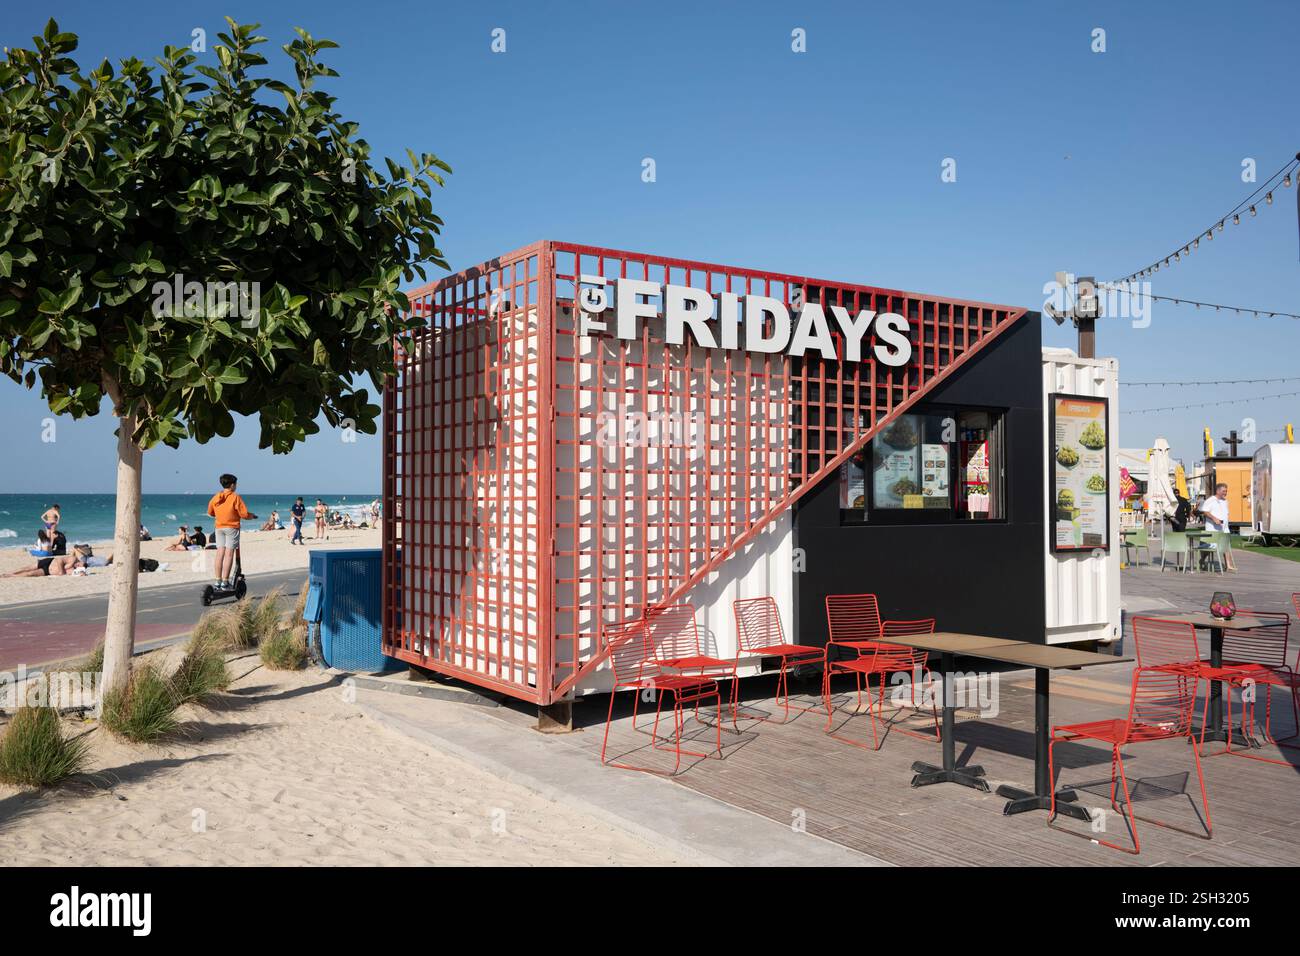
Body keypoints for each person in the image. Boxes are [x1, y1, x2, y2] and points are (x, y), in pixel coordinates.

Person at [207, 473, 257, 589]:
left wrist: (220, 514)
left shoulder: (216, 497)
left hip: (219, 528)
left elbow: (210, 512)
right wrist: (252, 516)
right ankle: (225, 582)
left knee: (220, 553)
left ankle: (217, 580)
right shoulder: (235, 497)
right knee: (229, 554)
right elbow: (244, 514)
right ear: (233, 485)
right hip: (232, 528)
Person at [1198, 482, 1236, 572]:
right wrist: (1214, 518)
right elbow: (1205, 511)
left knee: (1226, 546)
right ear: (1218, 490)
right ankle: (1202, 560)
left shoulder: (1225, 501)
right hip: (1213, 529)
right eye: (1223, 491)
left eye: (1226, 491)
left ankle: (1228, 565)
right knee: (1209, 549)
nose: (1225, 493)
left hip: (1224, 528)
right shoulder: (1211, 500)